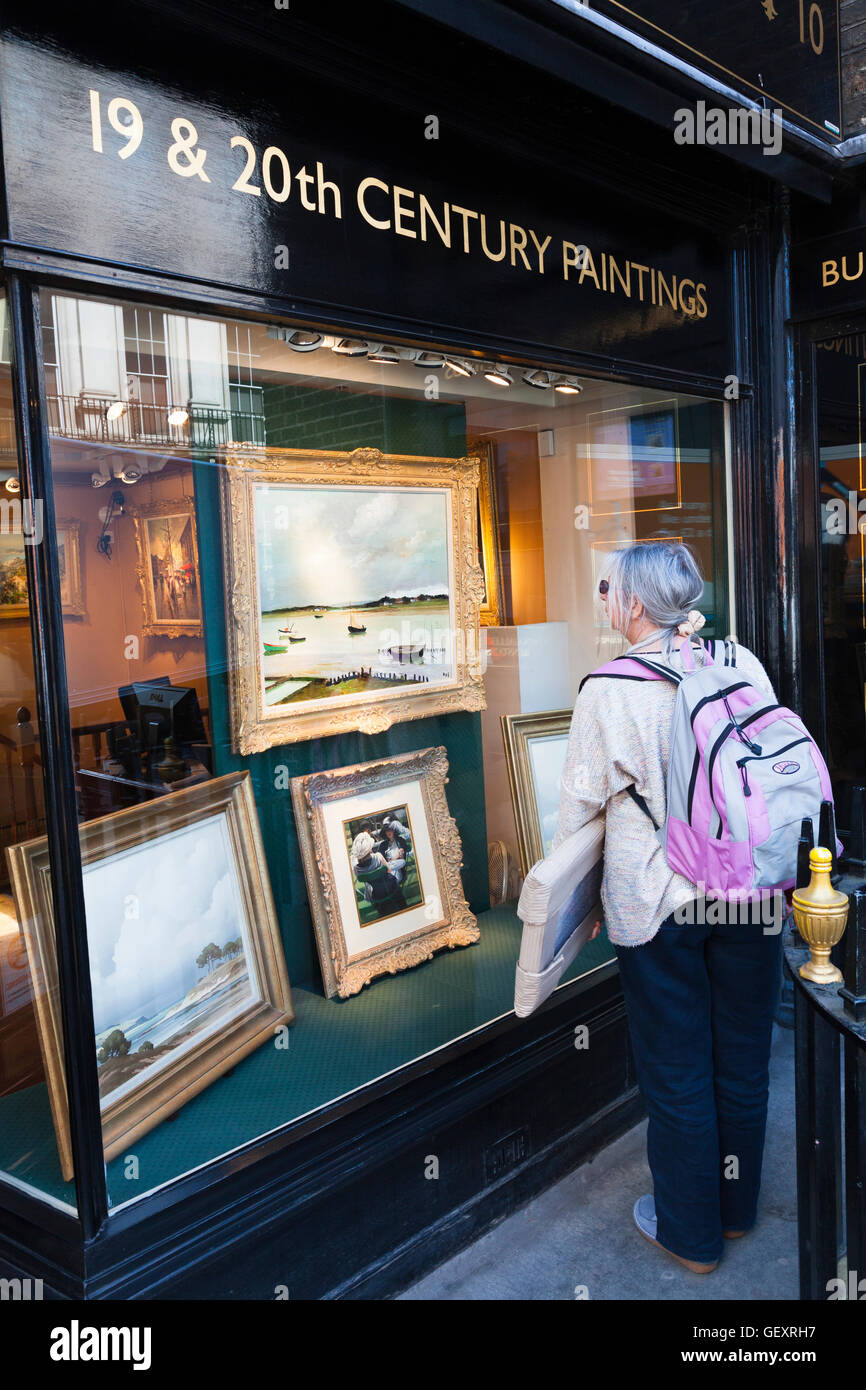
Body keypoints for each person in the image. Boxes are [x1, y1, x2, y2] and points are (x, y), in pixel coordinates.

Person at [550, 540, 784, 1275]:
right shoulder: (739, 662)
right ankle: (737, 1212)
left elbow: (577, 811)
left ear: (637, 605)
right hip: (748, 888)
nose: (604, 600)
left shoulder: (607, 688)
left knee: (678, 1066)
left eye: (607, 588)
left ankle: (690, 1233)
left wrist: (568, 911)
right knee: (743, 1057)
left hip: (658, 901)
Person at [350, 831, 407, 918]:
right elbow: (388, 870)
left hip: (377, 896)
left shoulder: (356, 868)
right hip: (392, 889)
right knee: (400, 865)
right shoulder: (378, 856)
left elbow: (360, 877)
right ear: (369, 848)